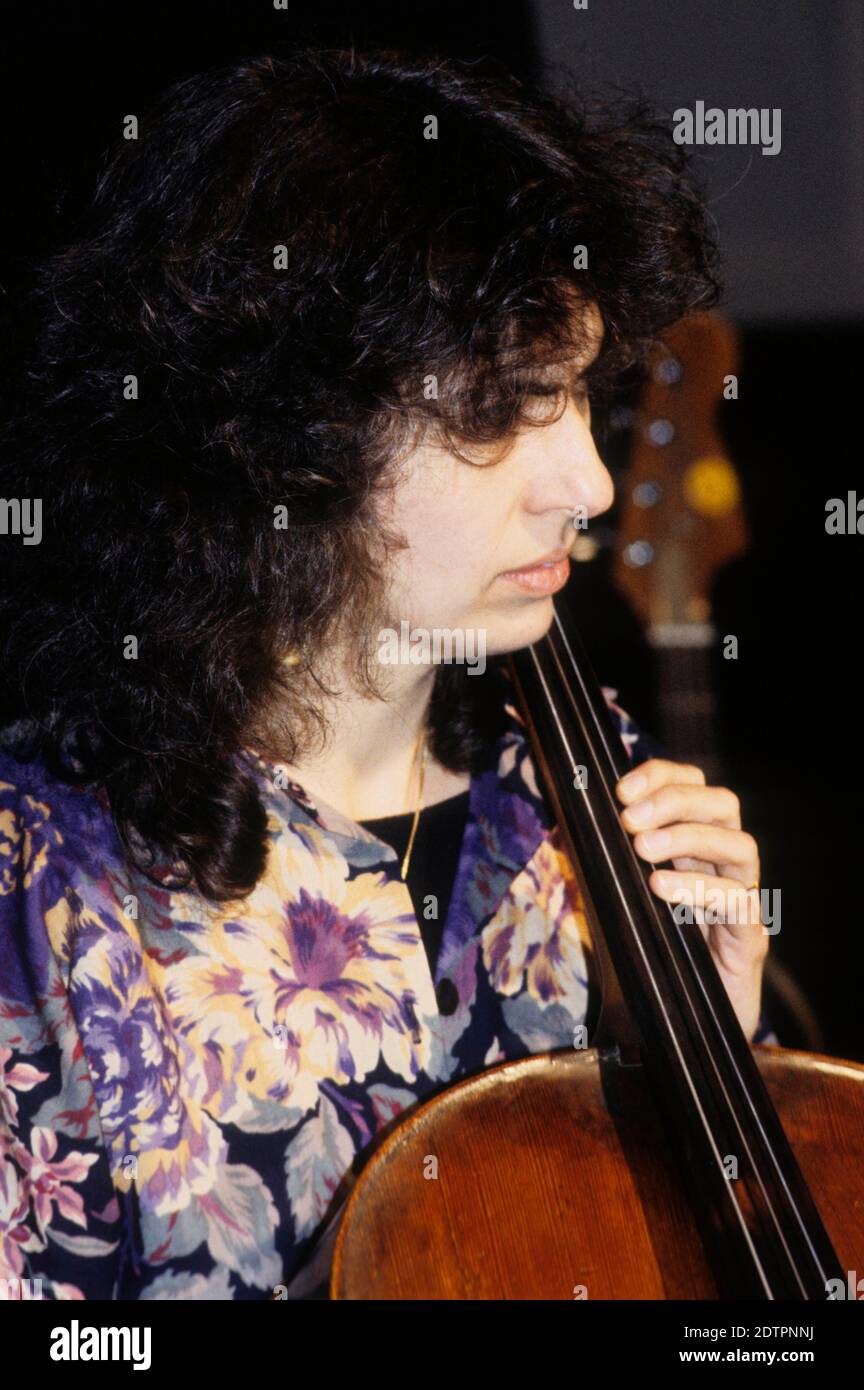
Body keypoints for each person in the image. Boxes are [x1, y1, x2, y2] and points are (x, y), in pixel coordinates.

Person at [0, 47, 773, 1301]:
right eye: (505, 409)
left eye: (581, 397)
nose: (586, 483)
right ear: (290, 439)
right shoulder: (38, 881)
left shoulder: (596, 789)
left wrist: (699, 1075)